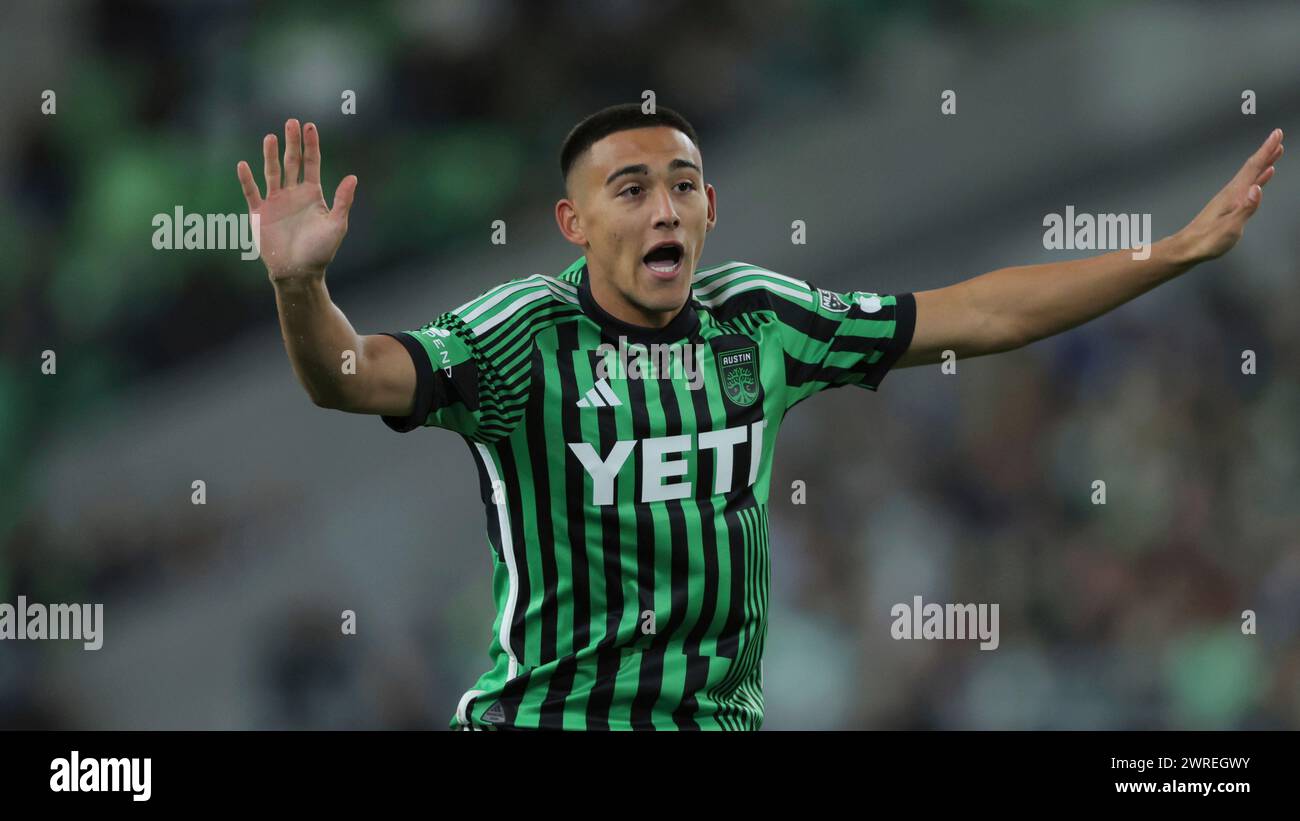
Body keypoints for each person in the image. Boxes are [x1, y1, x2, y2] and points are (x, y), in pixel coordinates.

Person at [236, 104, 1282, 729]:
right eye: (632, 187)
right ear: (574, 221)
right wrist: (297, 289)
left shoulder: (761, 319)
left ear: (708, 209)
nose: (663, 208)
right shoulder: (522, 334)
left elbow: (986, 312)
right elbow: (352, 376)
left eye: (682, 185)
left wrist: (1170, 254)